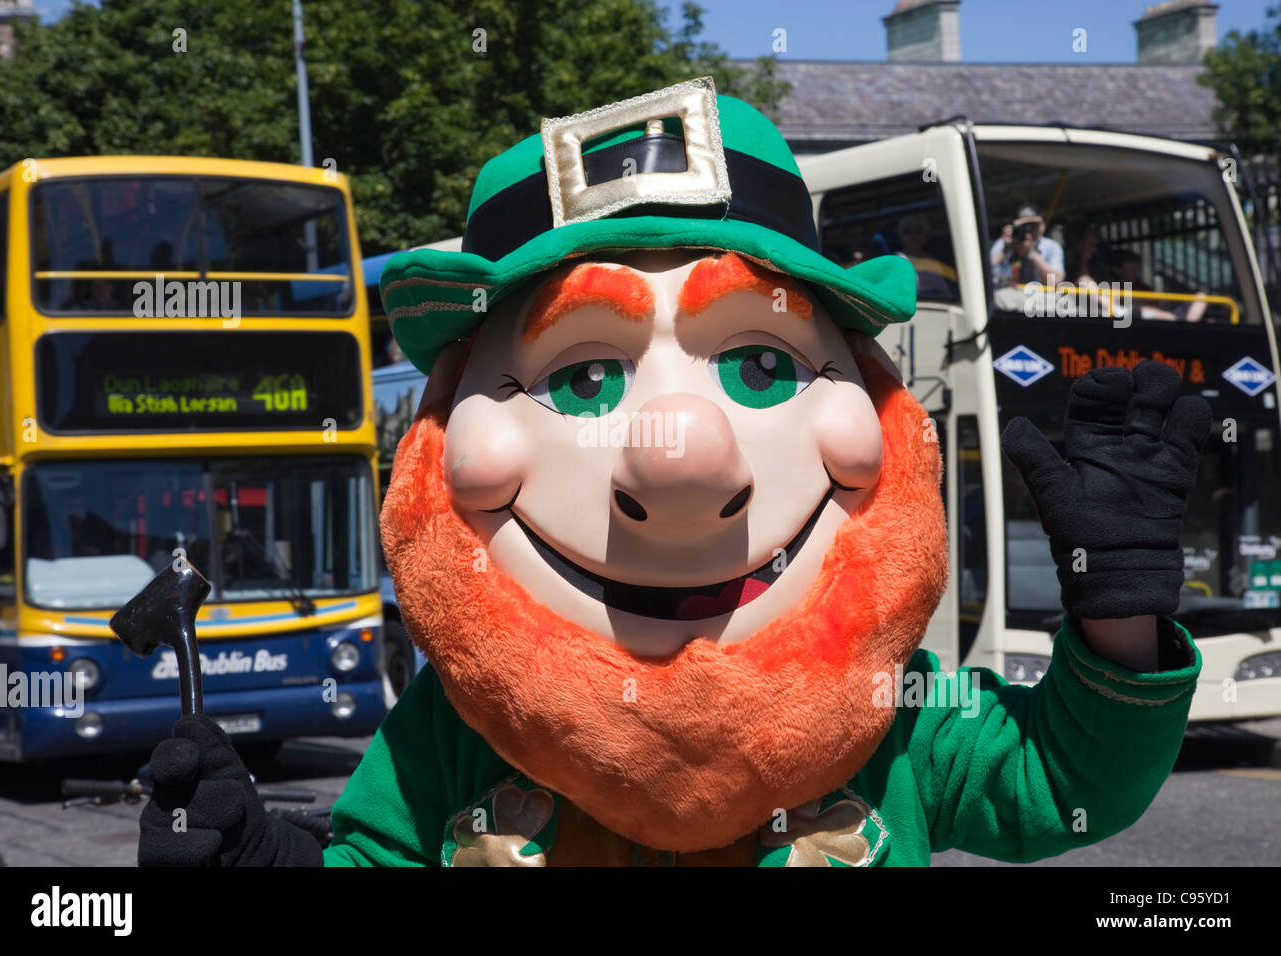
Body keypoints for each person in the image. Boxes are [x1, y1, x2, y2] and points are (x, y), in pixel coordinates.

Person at [137, 79, 1211, 868]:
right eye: (583, 377)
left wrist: (1116, 614)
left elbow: (1060, 786)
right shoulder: (457, 731)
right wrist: (261, 856)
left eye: (758, 363)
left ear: (873, 399)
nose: (684, 458)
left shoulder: (893, 713)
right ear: (449, 433)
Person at [990, 205, 1064, 288]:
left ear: (1042, 227)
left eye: (1033, 225)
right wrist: (1005, 250)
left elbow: (1056, 281)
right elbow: (984, 273)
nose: (1028, 230)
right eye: (1023, 226)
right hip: (1006, 296)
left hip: (1039, 298)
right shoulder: (1004, 243)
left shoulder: (1052, 246)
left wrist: (1032, 253)